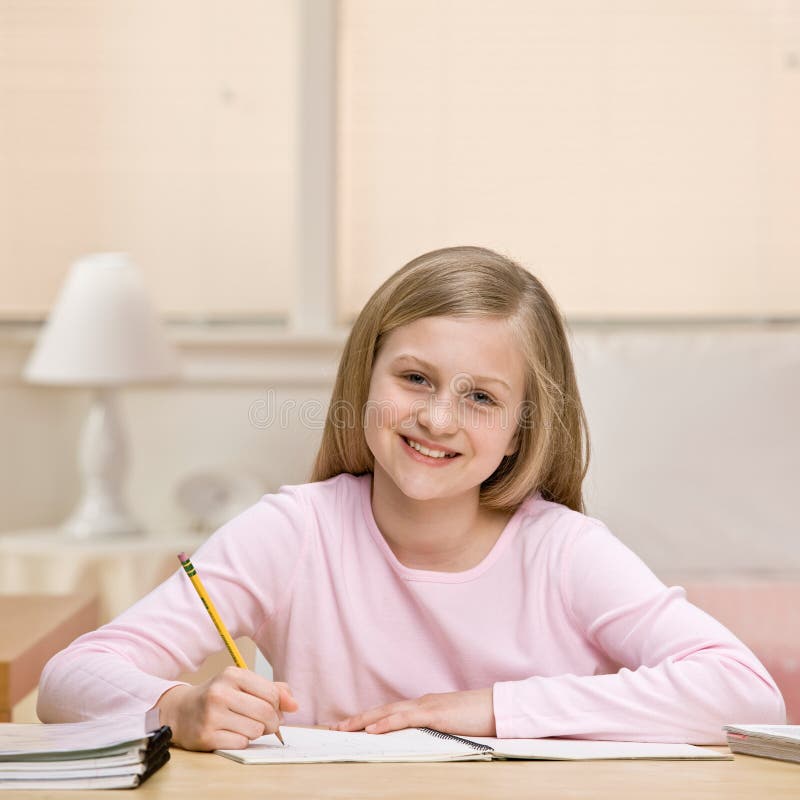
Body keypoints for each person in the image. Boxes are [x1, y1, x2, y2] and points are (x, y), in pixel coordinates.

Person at [37, 246, 785, 750]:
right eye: (416, 379)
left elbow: (748, 696)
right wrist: (178, 708)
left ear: (523, 430)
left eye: (481, 397)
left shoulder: (563, 552)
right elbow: (68, 680)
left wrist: (489, 709)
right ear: (366, 375)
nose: (437, 418)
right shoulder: (295, 532)